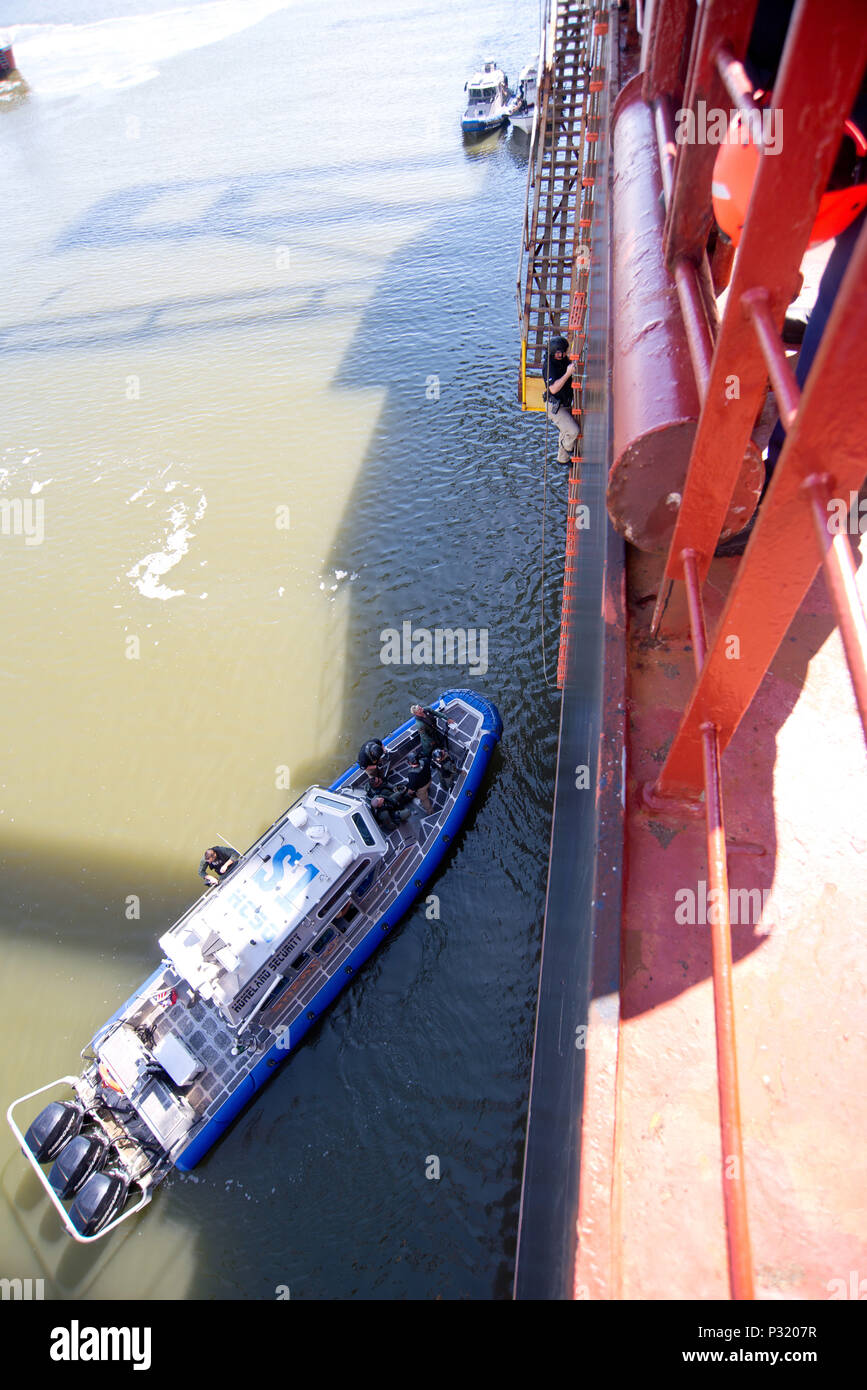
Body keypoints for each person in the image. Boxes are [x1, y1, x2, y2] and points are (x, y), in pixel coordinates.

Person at [543, 335, 579, 465]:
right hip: (555, 406)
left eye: (563, 352)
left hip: (565, 402)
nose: (562, 355)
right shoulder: (549, 366)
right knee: (573, 431)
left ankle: (562, 459)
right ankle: (567, 448)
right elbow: (553, 389)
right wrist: (568, 374)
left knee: (565, 430)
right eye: (559, 352)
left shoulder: (563, 360)